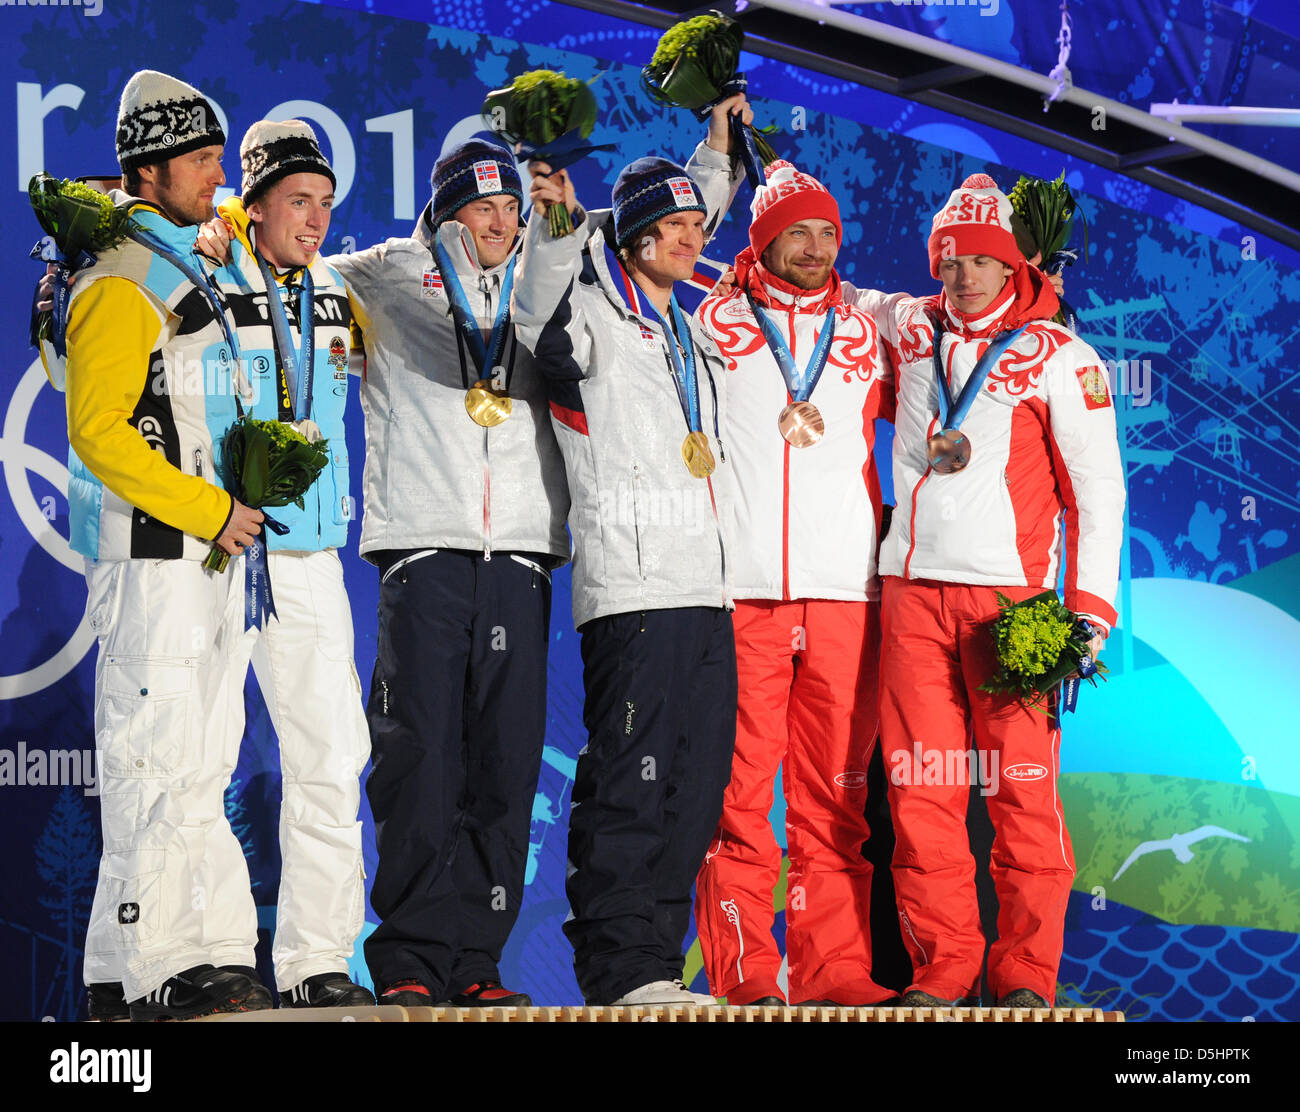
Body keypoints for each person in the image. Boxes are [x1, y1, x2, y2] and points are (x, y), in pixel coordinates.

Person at [855, 173, 1125, 1007]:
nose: (964, 273)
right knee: (920, 793)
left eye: (982, 259)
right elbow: (816, 282)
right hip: (910, 596)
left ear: (1014, 265)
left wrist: (1087, 616)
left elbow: (1100, 492)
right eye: (950, 257)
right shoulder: (909, 330)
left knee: (1022, 796)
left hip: (1012, 610)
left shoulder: (1061, 357)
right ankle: (943, 970)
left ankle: (1025, 981)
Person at [322, 137, 572, 1008]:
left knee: (503, 768)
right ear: (446, 209)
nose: (502, 223)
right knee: (419, 758)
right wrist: (225, 231)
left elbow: (661, 252)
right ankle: (408, 962)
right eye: (483, 207)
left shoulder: (548, 278)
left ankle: (478, 959)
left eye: (513, 207)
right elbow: (292, 264)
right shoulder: (392, 271)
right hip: (425, 545)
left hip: (523, 554)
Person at [514, 97, 748, 1006]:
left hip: (705, 589)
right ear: (636, 237)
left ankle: (657, 962)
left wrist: (716, 151)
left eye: (699, 224)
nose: (695, 237)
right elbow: (534, 302)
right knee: (629, 785)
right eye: (677, 227)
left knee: (692, 791)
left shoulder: (683, 323)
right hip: (632, 588)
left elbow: (699, 204)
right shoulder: (587, 316)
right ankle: (618, 969)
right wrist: (560, 219)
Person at [60, 69, 270, 1021]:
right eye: (199, 158)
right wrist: (204, 507)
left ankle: (186, 954)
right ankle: (143, 972)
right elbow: (98, 430)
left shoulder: (188, 262)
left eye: (218, 154)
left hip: (208, 555)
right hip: (156, 557)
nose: (217, 174)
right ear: (146, 171)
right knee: (152, 762)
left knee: (199, 764)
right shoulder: (118, 278)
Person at [692, 161, 897, 1007]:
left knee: (836, 801)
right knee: (738, 799)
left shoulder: (871, 331)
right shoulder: (712, 323)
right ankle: (742, 973)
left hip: (848, 593)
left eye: (827, 234)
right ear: (764, 239)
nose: (814, 249)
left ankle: (835, 969)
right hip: (742, 592)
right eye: (796, 233)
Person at [204, 120, 374, 1008]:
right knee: (204, 757)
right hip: (220, 547)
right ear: (255, 200)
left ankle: (317, 961)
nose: (313, 220)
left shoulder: (339, 292)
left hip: (306, 555)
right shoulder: (210, 268)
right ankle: (218, 954)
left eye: (325, 205)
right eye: (298, 202)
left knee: (329, 756)